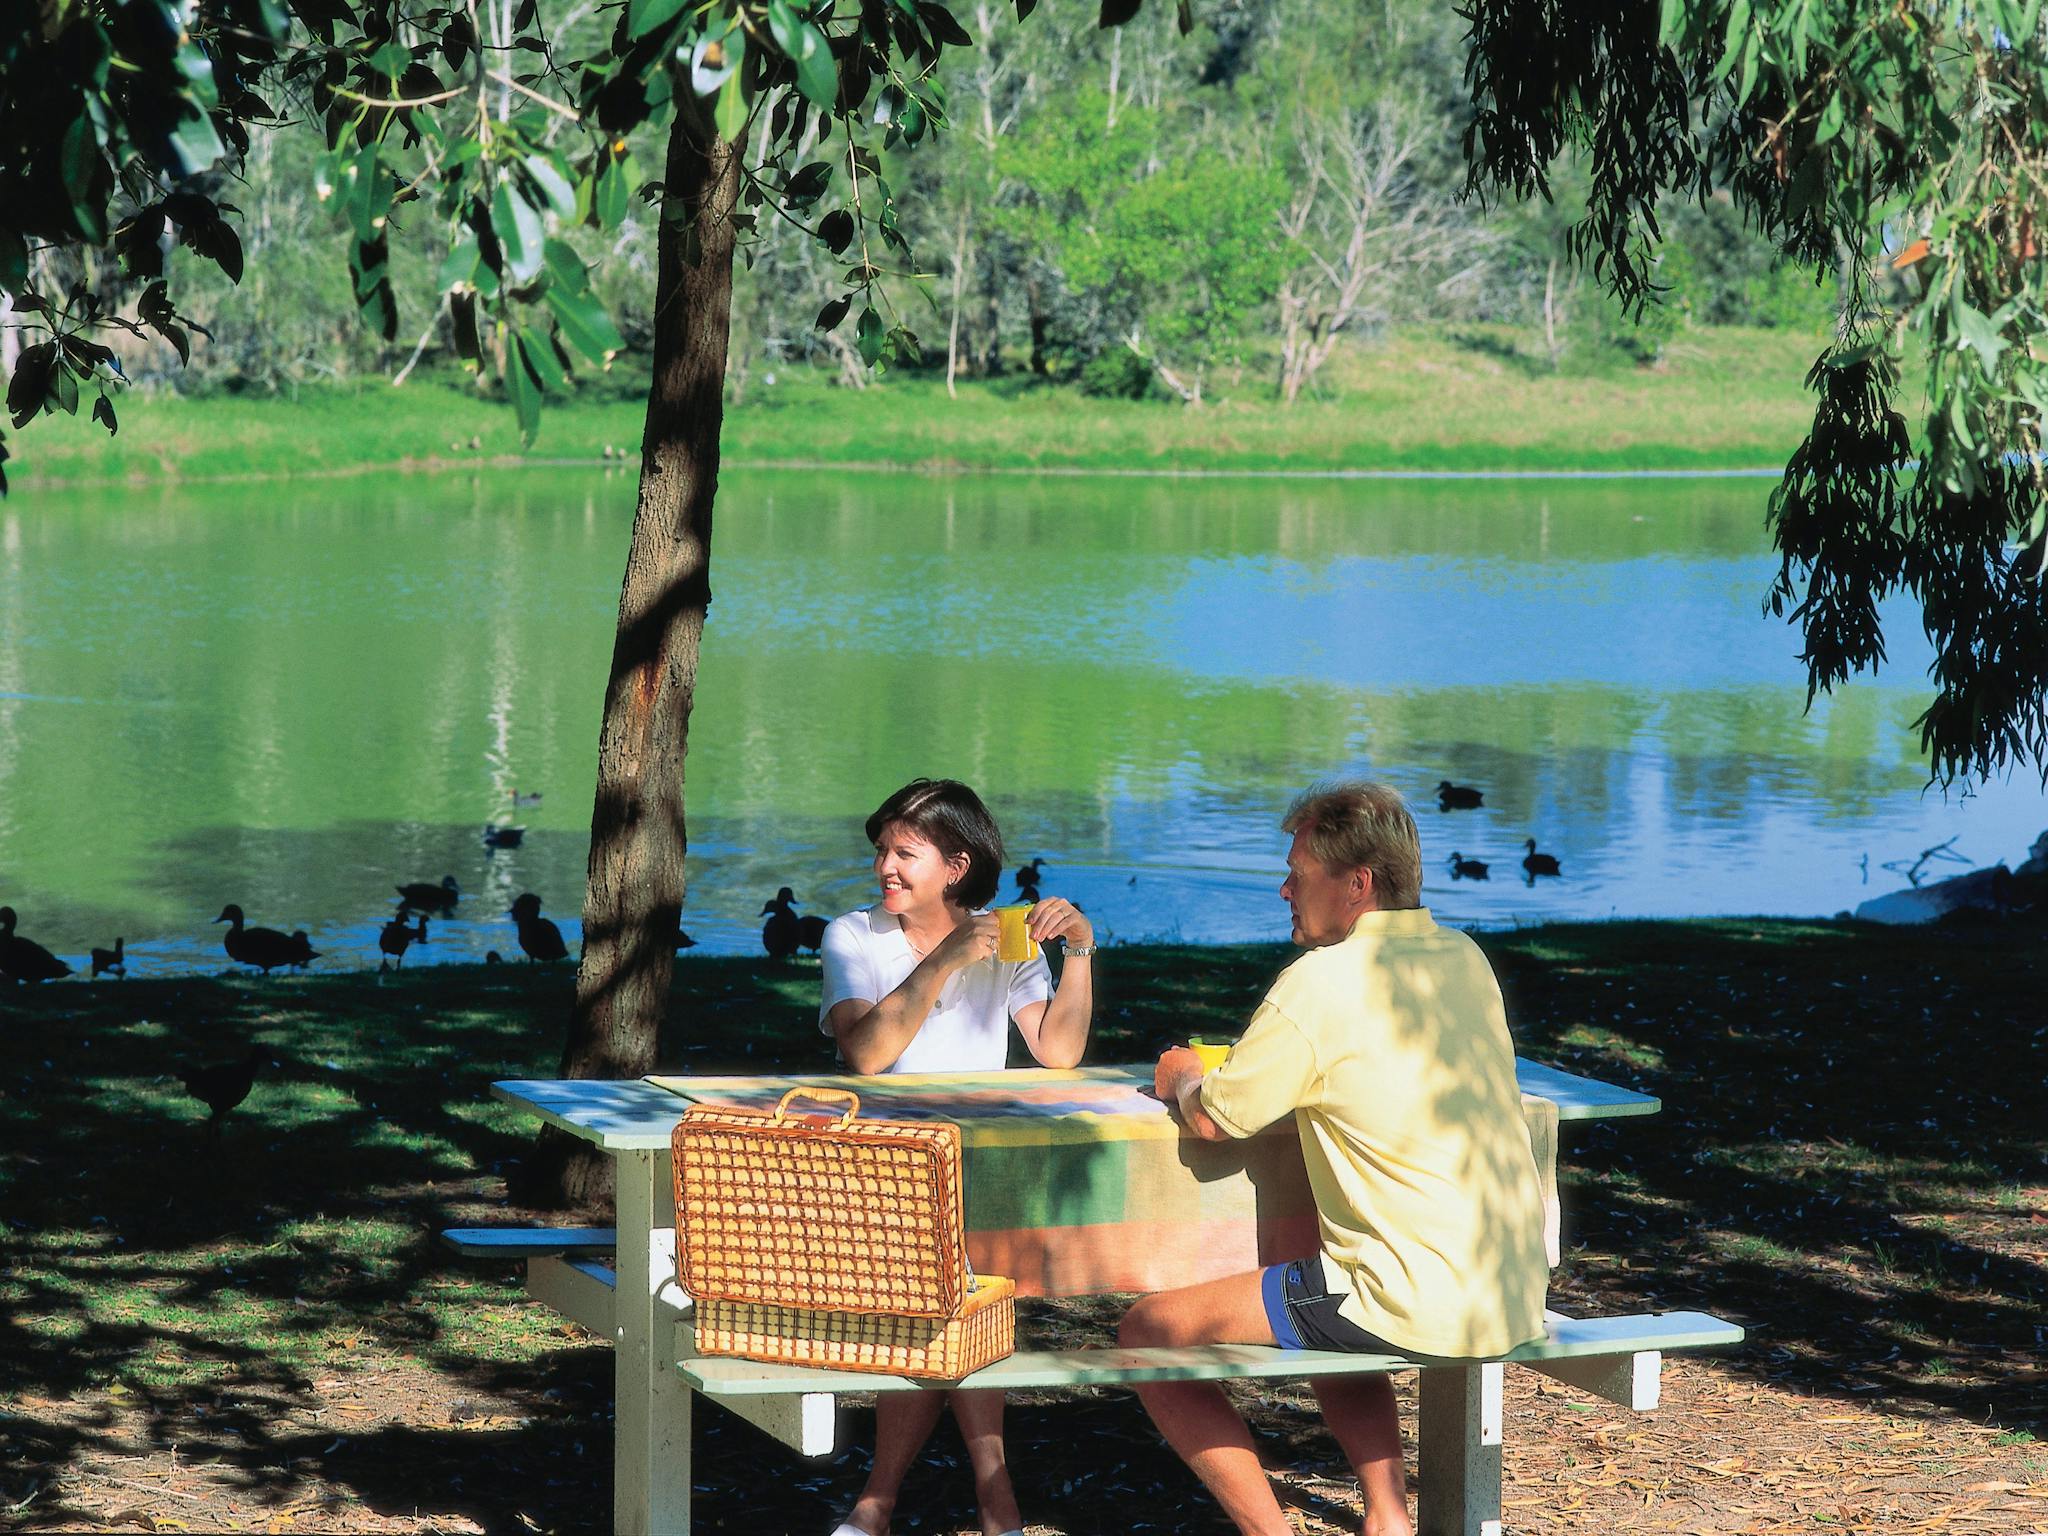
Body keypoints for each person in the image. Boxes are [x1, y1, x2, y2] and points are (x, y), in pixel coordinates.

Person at [1123, 781, 1549, 1536]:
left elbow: (1219, 1117)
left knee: (1144, 1335)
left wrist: (1181, 1073)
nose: (1283, 888)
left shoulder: (1320, 982)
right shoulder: (1463, 957)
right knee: (1309, 1264)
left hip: (1409, 1298)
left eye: (1298, 872)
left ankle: (1271, 1533)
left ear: (1357, 886)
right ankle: (1387, 1516)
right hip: (1509, 1287)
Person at [819, 777, 1096, 1536]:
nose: (885, 867)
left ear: (956, 864)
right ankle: (988, 1494)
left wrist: (1078, 952)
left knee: (958, 1300)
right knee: (949, 1303)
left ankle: (883, 1501)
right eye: (882, 851)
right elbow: (868, 1055)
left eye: (904, 853)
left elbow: (1060, 1050)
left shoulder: (1006, 940)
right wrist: (942, 960)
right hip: (881, 1171)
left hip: (977, 1168)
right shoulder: (853, 937)